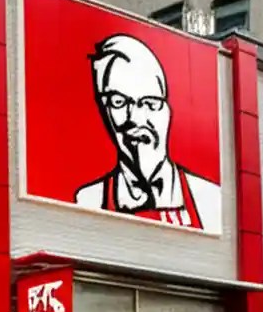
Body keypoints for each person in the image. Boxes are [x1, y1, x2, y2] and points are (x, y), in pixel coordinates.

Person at [75, 33, 220, 232]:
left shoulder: (210, 199)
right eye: (119, 102)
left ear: (167, 112)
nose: (136, 117)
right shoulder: (89, 201)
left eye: (150, 103)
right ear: (103, 110)